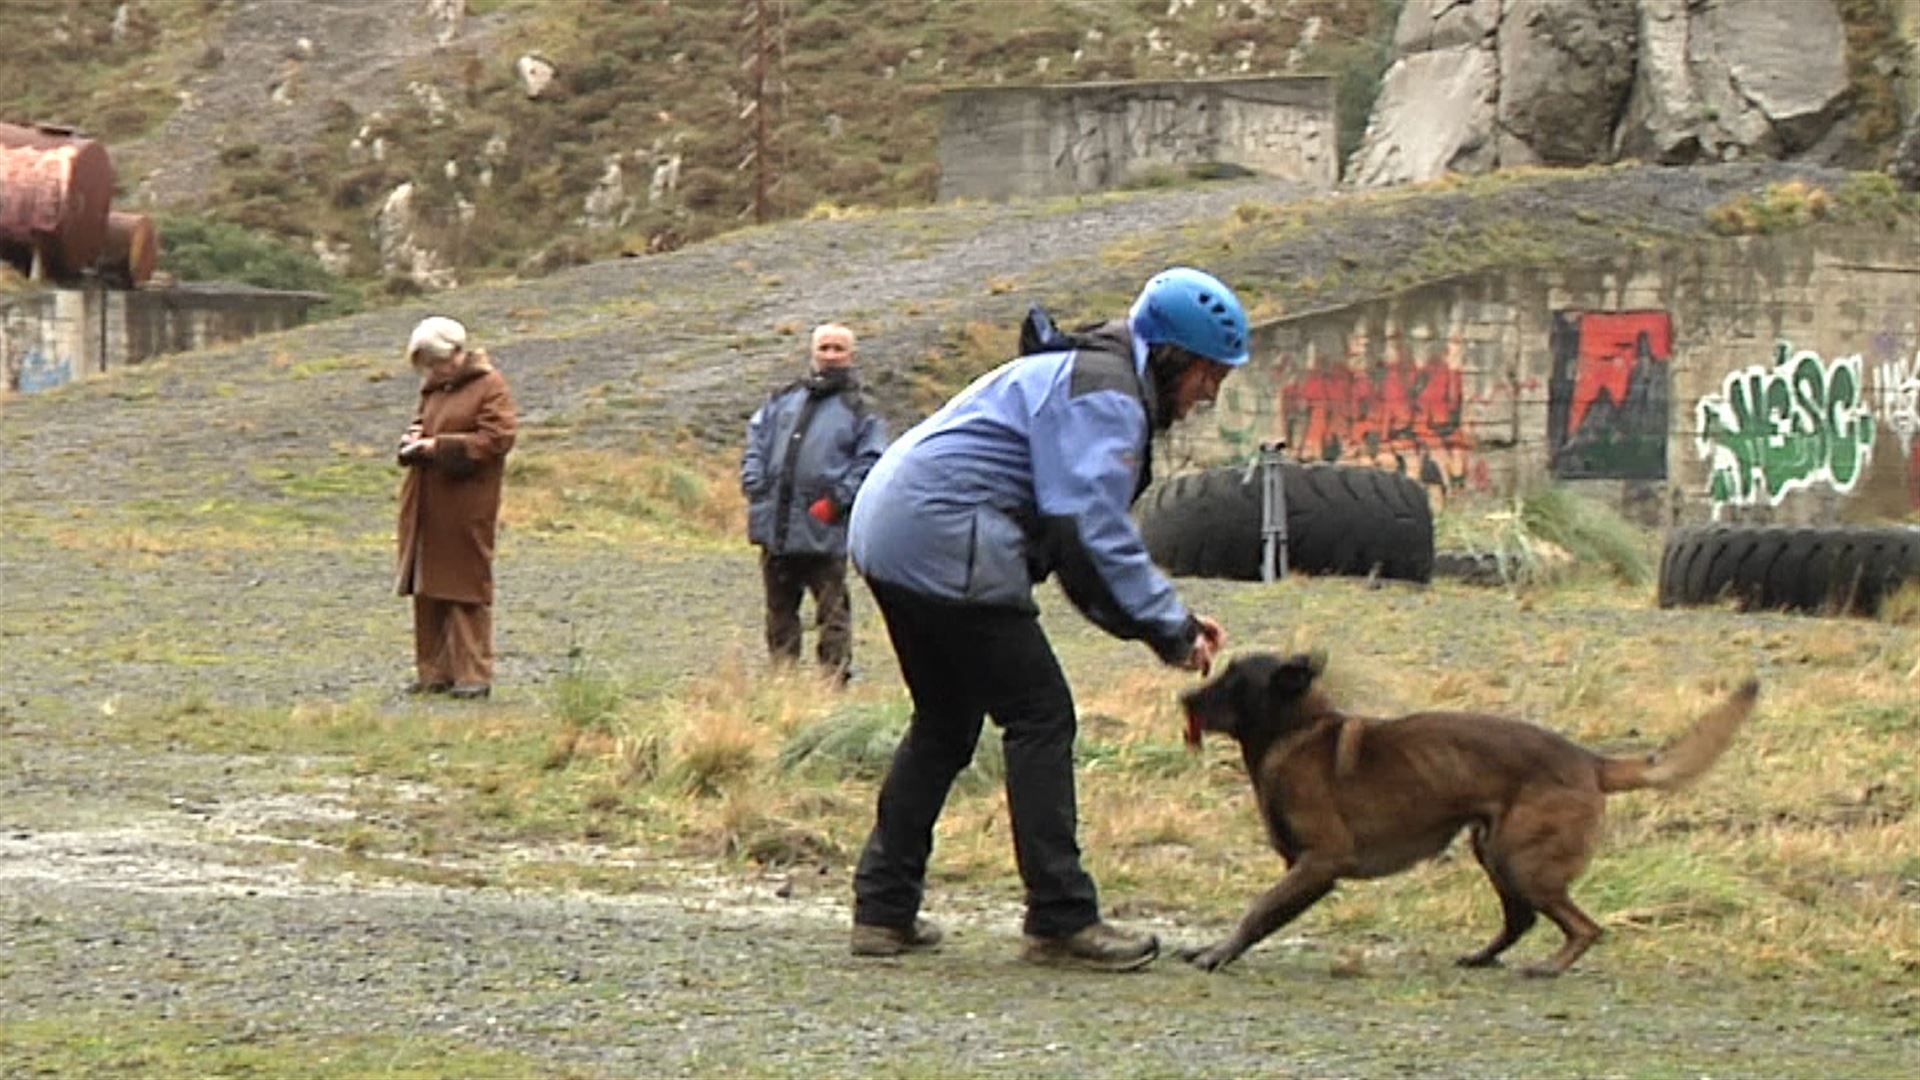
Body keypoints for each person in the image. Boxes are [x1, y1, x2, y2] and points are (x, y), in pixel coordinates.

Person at [845, 267, 1247, 971]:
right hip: (945, 537)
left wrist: (1156, 621)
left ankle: (882, 911)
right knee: (1041, 715)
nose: (1210, 394)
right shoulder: (1107, 396)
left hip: (891, 529)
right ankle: (1060, 919)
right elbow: (1086, 532)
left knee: (945, 722)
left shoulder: (1081, 369)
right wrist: (1170, 627)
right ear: (1176, 357)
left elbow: (1078, 541)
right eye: (1210, 374)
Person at [741, 323, 889, 681]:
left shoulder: (862, 408)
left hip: (825, 529)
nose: (831, 355)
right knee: (778, 612)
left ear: (851, 355)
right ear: (812, 351)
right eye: (824, 348)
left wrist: (836, 502)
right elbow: (756, 441)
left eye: (839, 349)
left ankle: (833, 685)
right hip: (776, 527)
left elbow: (871, 462)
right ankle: (782, 684)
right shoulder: (783, 398)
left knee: (833, 614)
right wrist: (755, 483)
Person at [394, 316, 518, 700]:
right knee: (427, 587)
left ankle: (473, 675)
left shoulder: (489, 385)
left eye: (436, 361)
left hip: (466, 503)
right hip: (427, 502)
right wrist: (414, 440)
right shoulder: (434, 388)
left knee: (465, 588)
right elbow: (423, 423)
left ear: (456, 353)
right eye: (426, 364)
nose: (431, 370)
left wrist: (440, 447)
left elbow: (498, 438)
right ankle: (433, 673)